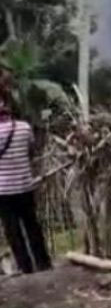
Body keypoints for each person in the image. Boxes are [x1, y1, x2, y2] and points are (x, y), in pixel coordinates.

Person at [0, 101, 52, 274]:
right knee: (32, 224)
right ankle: (43, 262)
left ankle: (25, 266)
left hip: (4, 190)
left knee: (13, 229)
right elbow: (31, 151)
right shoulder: (24, 128)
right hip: (25, 184)